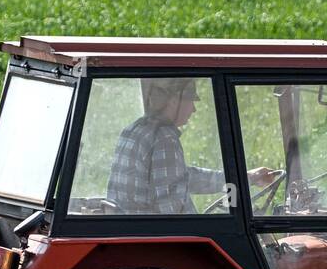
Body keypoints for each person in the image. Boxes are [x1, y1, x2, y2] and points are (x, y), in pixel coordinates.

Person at [107, 77, 277, 215]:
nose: (194, 109)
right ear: (174, 100)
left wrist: (245, 178)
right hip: (156, 245)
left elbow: (183, 178)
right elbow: (174, 213)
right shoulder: (163, 139)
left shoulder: (136, 129)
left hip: (134, 232)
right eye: (191, 100)